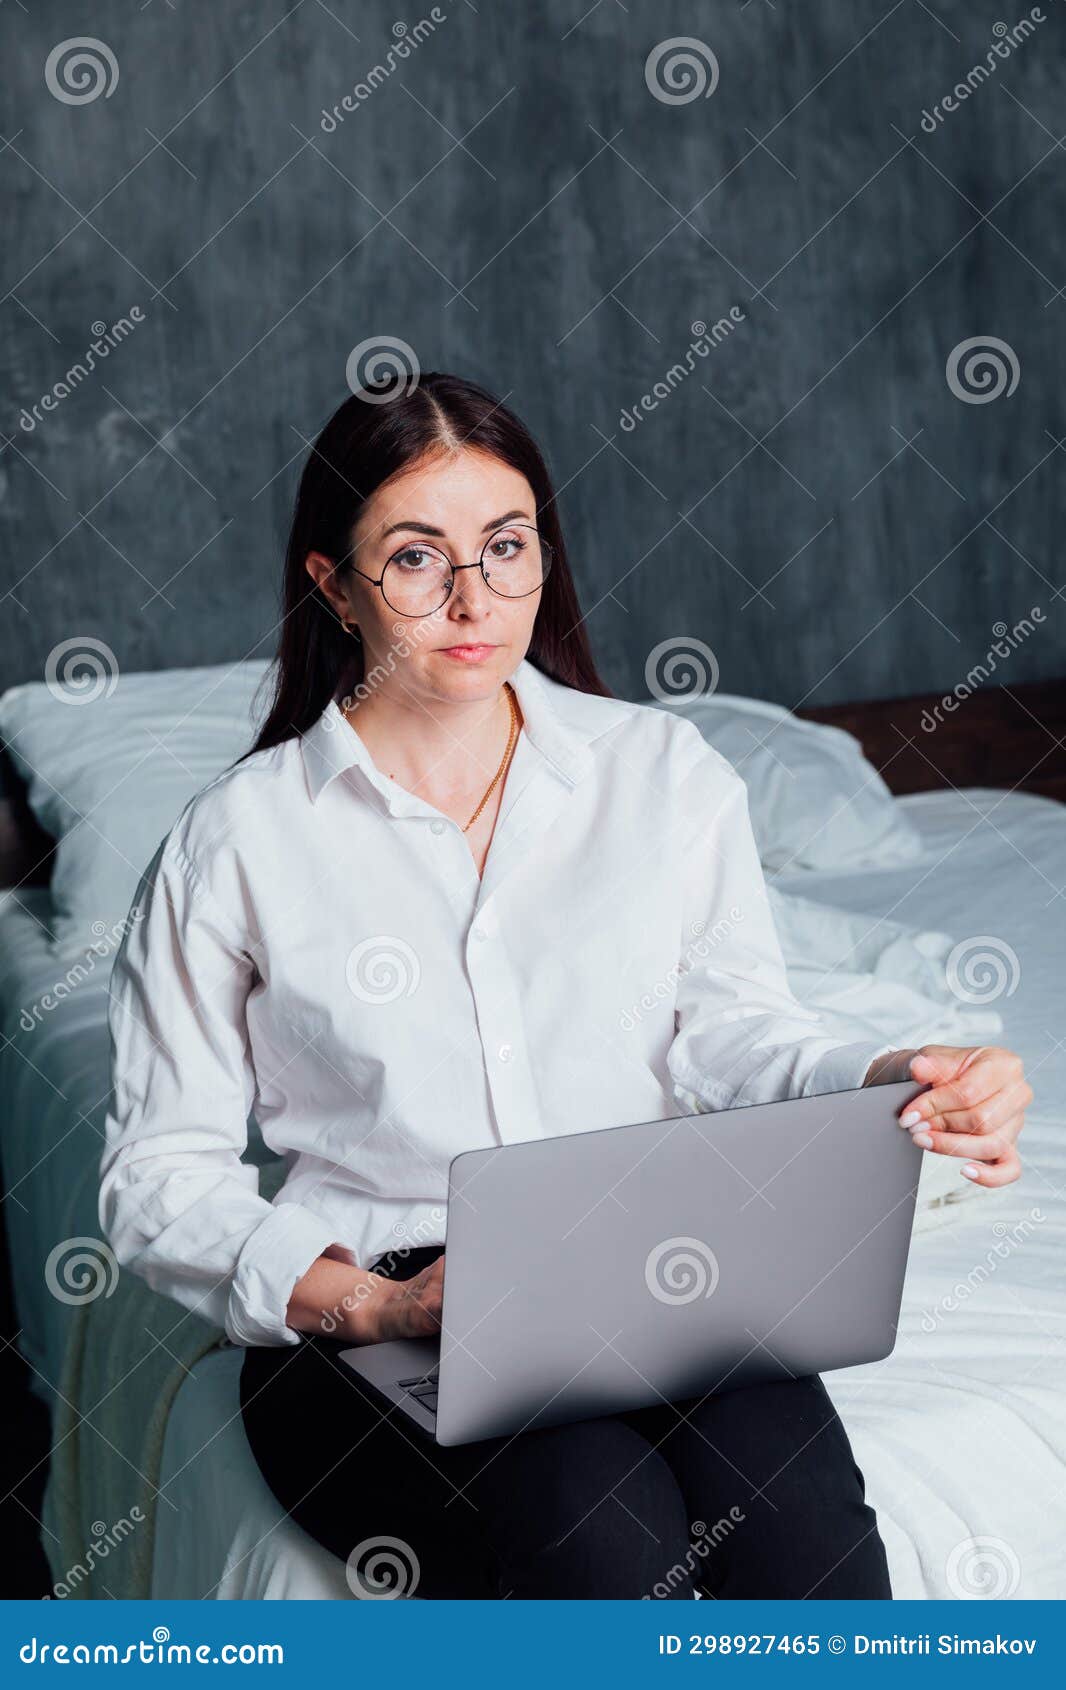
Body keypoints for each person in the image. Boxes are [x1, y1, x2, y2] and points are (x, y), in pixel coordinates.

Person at [99, 372, 1031, 1600]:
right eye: (417, 559)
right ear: (332, 583)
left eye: (506, 546)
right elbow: (155, 1179)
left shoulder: (658, 772)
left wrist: (886, 1078)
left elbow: (736, 1030)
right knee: (598, 1537)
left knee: (810, 1553)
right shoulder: (239, 840)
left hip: (656, 1274)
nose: (475, 598)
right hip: (374, 1306)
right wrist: (375, 1307)